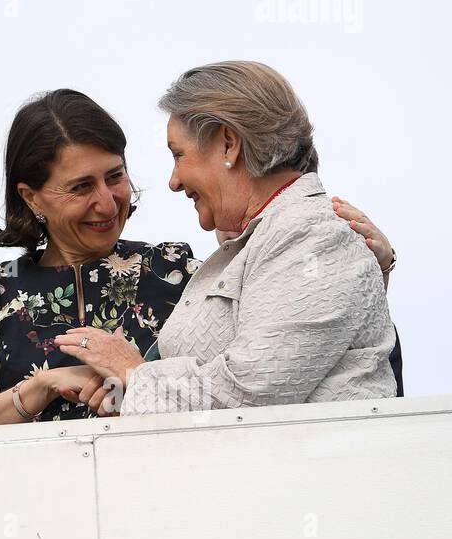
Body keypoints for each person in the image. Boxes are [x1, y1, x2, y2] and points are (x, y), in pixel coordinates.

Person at [0, 85, 397, 428]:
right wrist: (40, 388)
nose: (107, 202)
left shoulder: (176, 271)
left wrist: (372, 275)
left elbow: (291, 346)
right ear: (32, 198)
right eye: (81, 187)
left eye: (115, 177)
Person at [61, 61, 396, 415]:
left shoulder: (315, 237)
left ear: (228, 145)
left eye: (179, 155)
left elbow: (251, 390)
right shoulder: (268, 238)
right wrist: (125, 390)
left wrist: (134, 372)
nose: (173, 181)